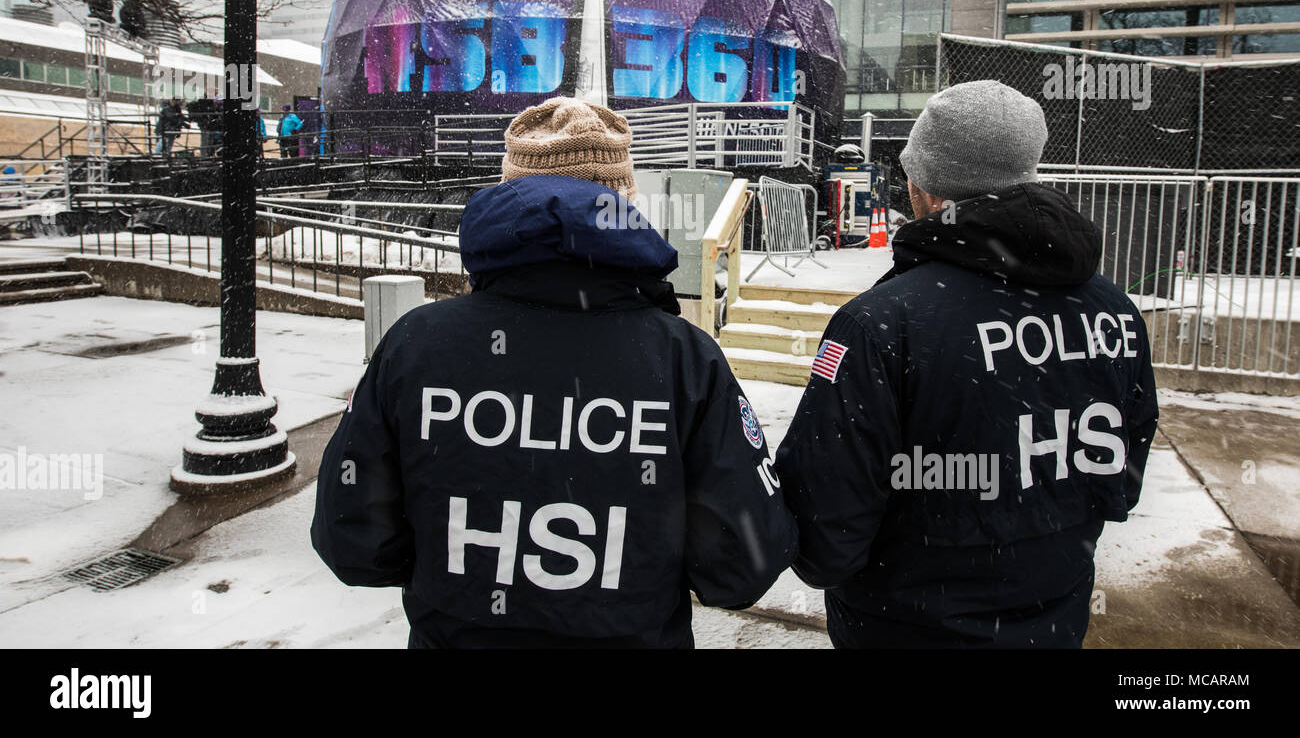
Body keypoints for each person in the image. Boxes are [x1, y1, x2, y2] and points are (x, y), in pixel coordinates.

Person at [312, 97, 797, 648]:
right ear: (625, 205)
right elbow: (743, 562)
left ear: (508, 198)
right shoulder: (682, 358)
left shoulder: (417, 344)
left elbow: (353, 539)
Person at [775, 80, 1159, 649]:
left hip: (905, 625)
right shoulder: (1112, 308)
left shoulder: (884, 322)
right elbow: (1125, 461)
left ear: (927, 188)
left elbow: (828, 510)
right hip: (1055, 614)